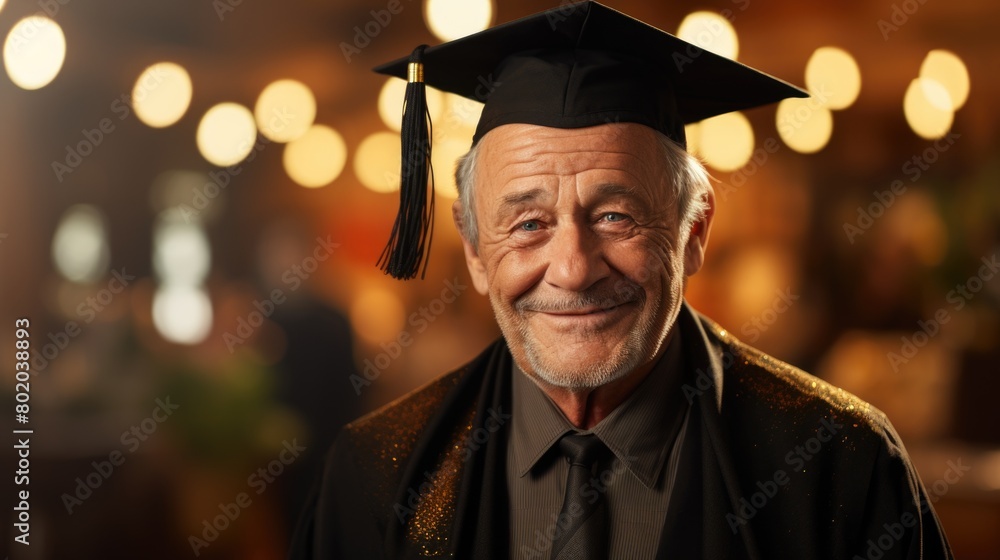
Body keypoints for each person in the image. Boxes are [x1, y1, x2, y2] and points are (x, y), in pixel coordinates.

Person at [290, 2, 954, 558]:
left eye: (616, 216)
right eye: (528, 224)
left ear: (693, 232)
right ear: (472, 249)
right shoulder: (376, 475)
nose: (574, 269)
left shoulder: (839, 469)